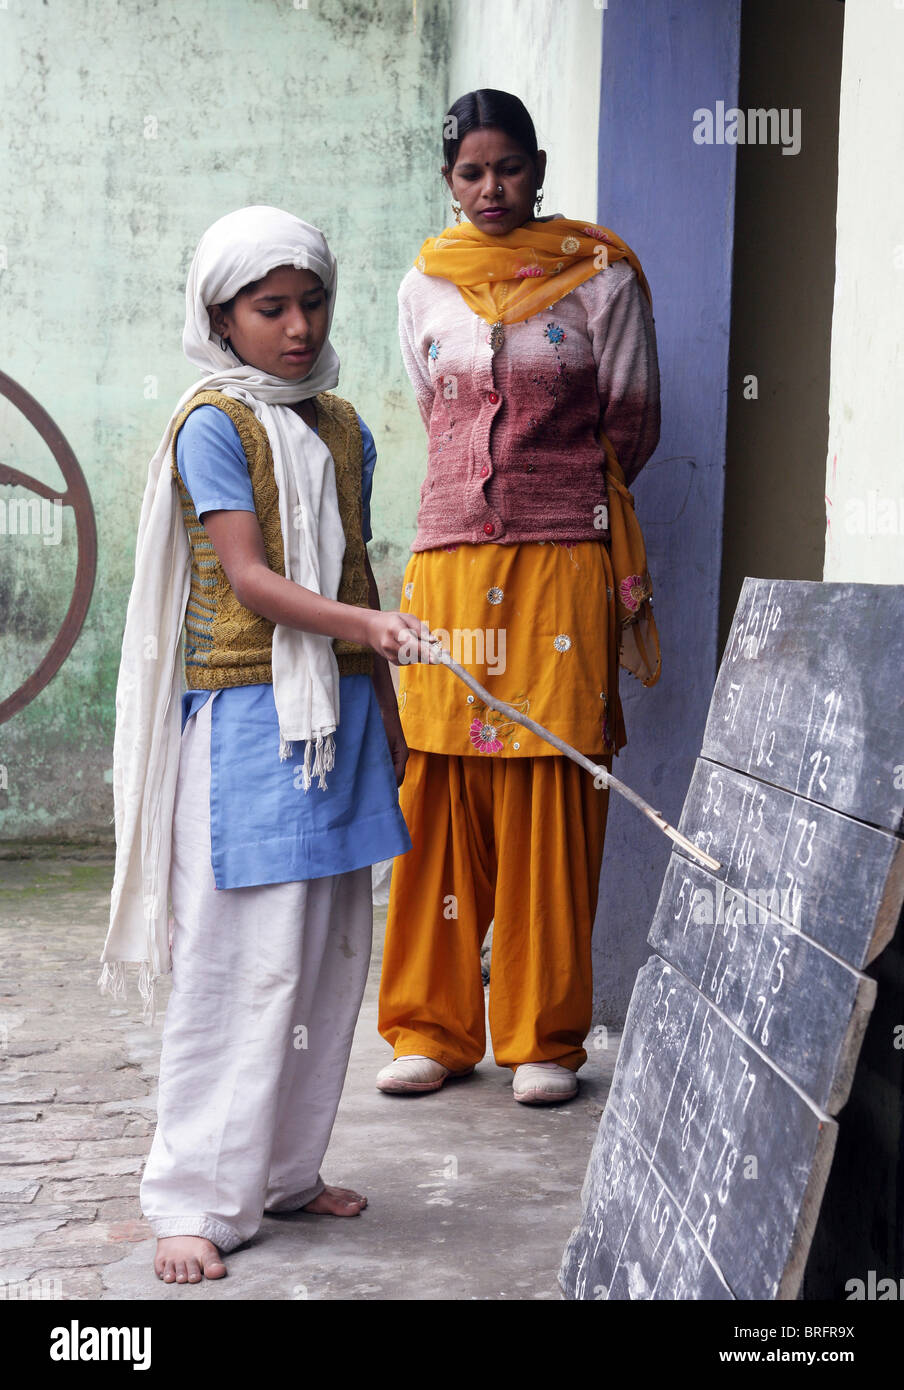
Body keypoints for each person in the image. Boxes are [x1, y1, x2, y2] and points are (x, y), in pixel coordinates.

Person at [99, 206, 430, 1284]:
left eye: (312, 302)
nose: (296, 326)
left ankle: (286, 1172)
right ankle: (195, 1196)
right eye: (269, 307)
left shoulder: (341, 425)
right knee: (240, 968)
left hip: (340, 717)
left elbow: (355, 574)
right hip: (250, 723)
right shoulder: (212, 423)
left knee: (329, 960)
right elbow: (250, 578)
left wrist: (385, 700)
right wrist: (366, 631)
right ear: (222, 317)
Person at [377, 91, 662, 1106]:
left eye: (507, 169)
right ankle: (430, 1025)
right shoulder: (425, 286)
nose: (490, 189)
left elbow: (628, 421)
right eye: (469, 173)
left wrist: (555, 500)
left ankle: (542, 1038)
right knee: (441, 784)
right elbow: (435, 416)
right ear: (448, 181)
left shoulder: (600, 274)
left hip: (562, 557)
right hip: (449, 555)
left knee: (552, 778)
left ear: (537, 167)